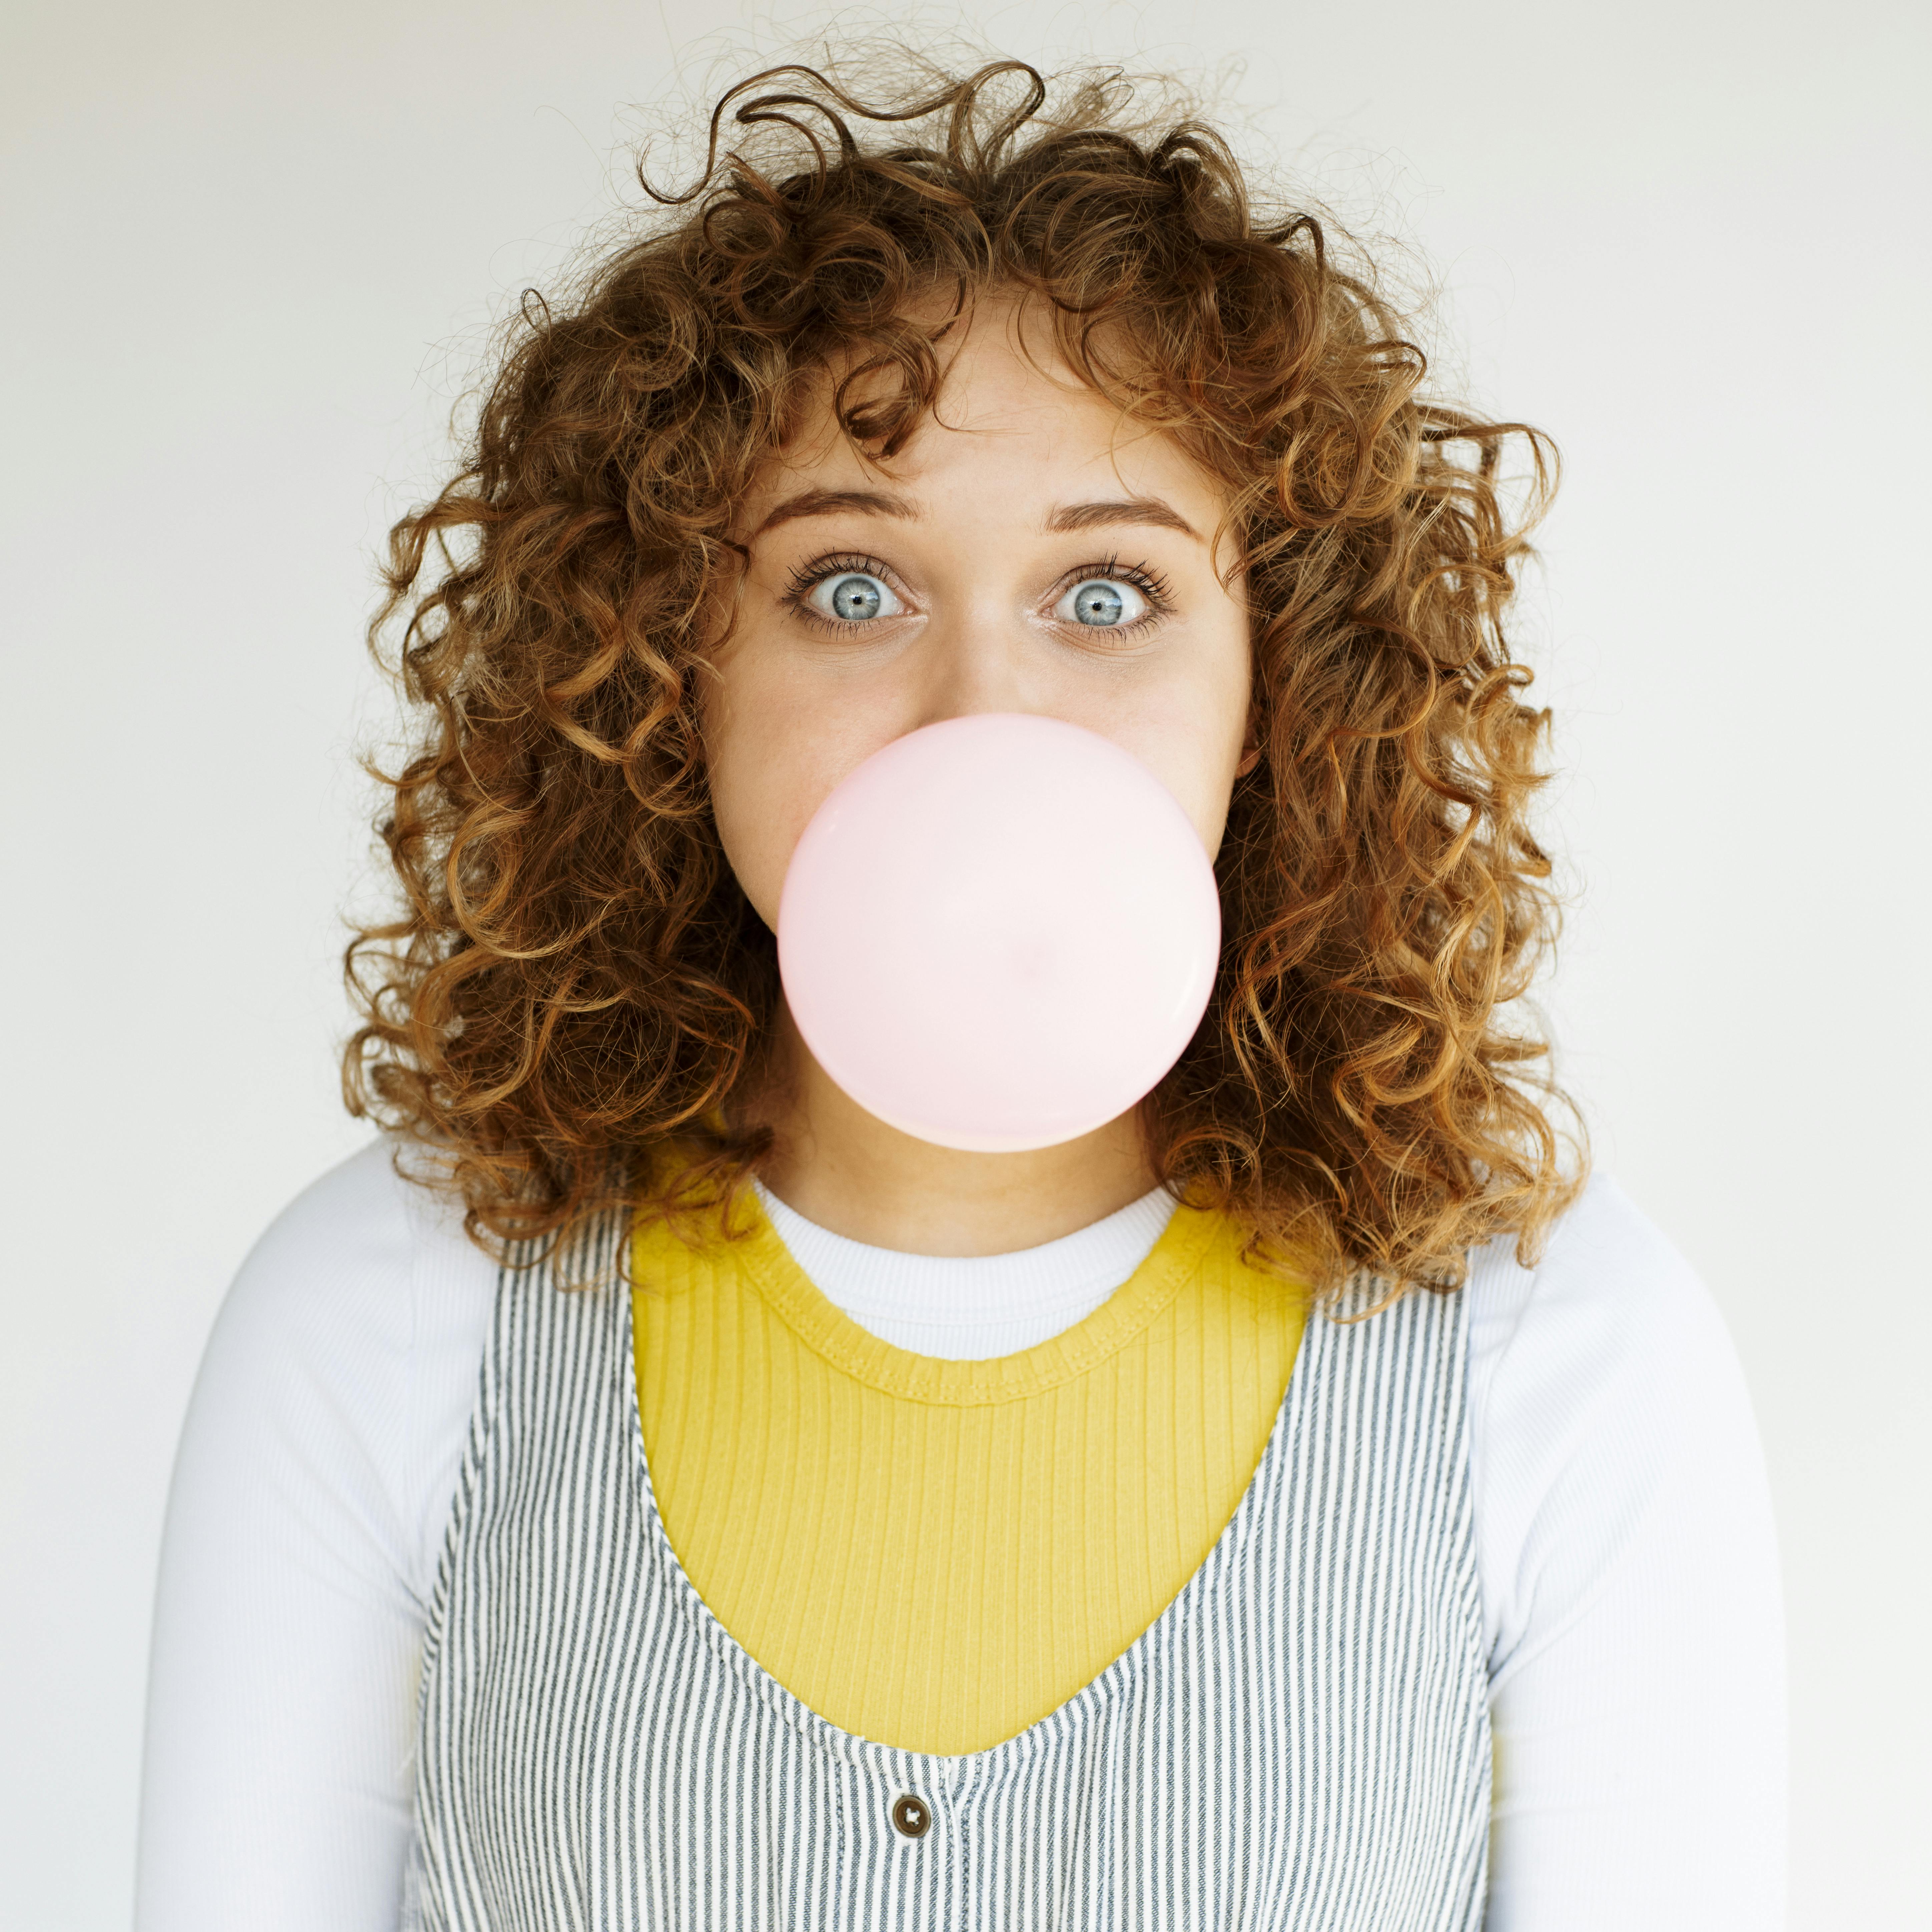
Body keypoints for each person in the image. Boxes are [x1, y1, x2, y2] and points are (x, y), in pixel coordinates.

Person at [134, 57, 1785, 1932]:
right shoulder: (382, 1313)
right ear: (669, 675)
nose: (984, 718)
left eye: (1108, 597)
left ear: (1277, 699)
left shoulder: (1558, 1361)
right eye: (850, 589)